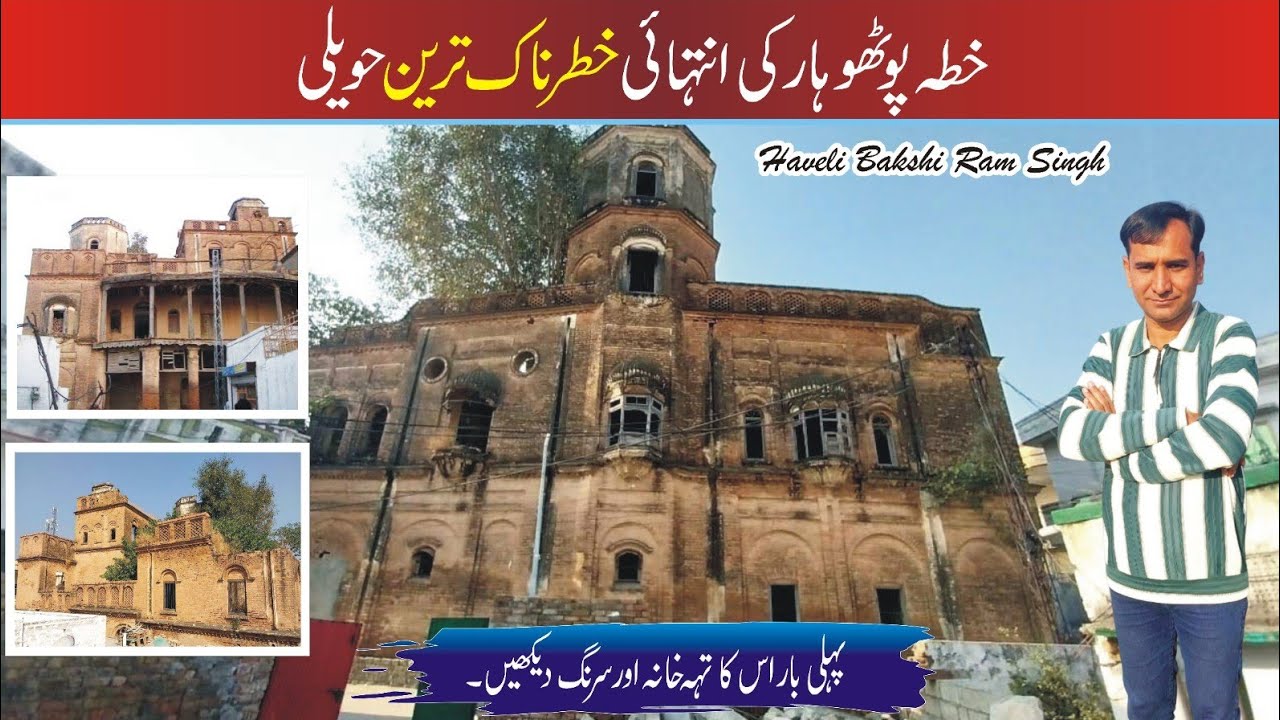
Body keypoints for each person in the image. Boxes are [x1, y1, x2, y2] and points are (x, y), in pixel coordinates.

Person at [1057, 201, 1258, 720]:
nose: (1161, 283)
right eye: (1146, 267)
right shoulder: (1110, 346)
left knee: (1216, 710)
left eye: (1176, 265)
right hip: (1132, 579)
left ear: (1200, 266)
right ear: (1127, 270)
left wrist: (1123, 456)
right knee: (1146, 708)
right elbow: (1075, 435)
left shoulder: (1229, 336)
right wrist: (1177, 419)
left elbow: (1224, 439)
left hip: (1212, 580)